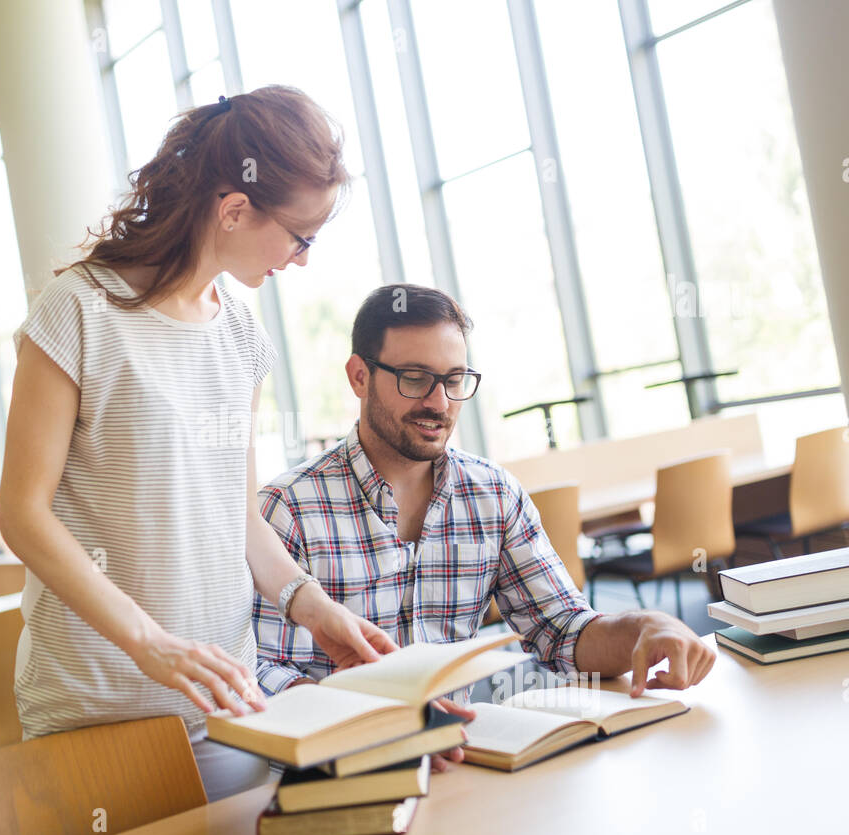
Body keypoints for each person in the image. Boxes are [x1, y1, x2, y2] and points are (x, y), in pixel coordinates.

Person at [0, 87, 398, 801]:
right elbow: (24, 515)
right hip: (97, 708)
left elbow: (235, 516)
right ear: (235, 209)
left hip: (221, 699)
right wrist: (151, 645)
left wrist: (314, 608)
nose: (303, 259)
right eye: (300, 236)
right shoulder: (78, 312)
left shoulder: (242, 336)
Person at [252, 283, 717, 769]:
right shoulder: (287, 508)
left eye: (454, 380)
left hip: (458, 766)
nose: (439, 402)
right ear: (359, 376)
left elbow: (562, 629)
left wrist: (646, 626)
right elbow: (262, 672)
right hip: (335, 775)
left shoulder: (493, 494)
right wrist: (379, 720)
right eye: (415, 378)